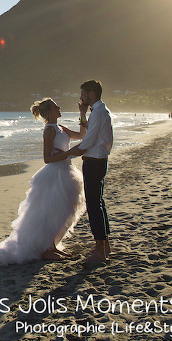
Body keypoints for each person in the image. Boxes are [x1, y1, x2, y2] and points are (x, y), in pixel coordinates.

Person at [0, 98, 85, 265]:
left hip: (66, 172)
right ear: (49, 112)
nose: (59, 107)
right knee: (52, 212)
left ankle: (53, 246)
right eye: (56, 106)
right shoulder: (49, 130)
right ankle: (46, 250)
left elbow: (81, 135)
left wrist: (82, 113)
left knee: (63, 211)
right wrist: (68, 153)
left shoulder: (60, 127)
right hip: (54, 174)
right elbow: (47, 158)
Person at [66, 80, 114, 265]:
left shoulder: (100, 113)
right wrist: (82, 114)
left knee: (94, 206)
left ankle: (100, 253)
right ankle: (105, 246)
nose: (81, 97)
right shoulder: (99, 111)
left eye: (83, 94)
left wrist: (68, 153)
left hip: (94, 162)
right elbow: (88, 133)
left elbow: (88, 141)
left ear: (92, 94)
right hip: (98, 161)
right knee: (99, 203)